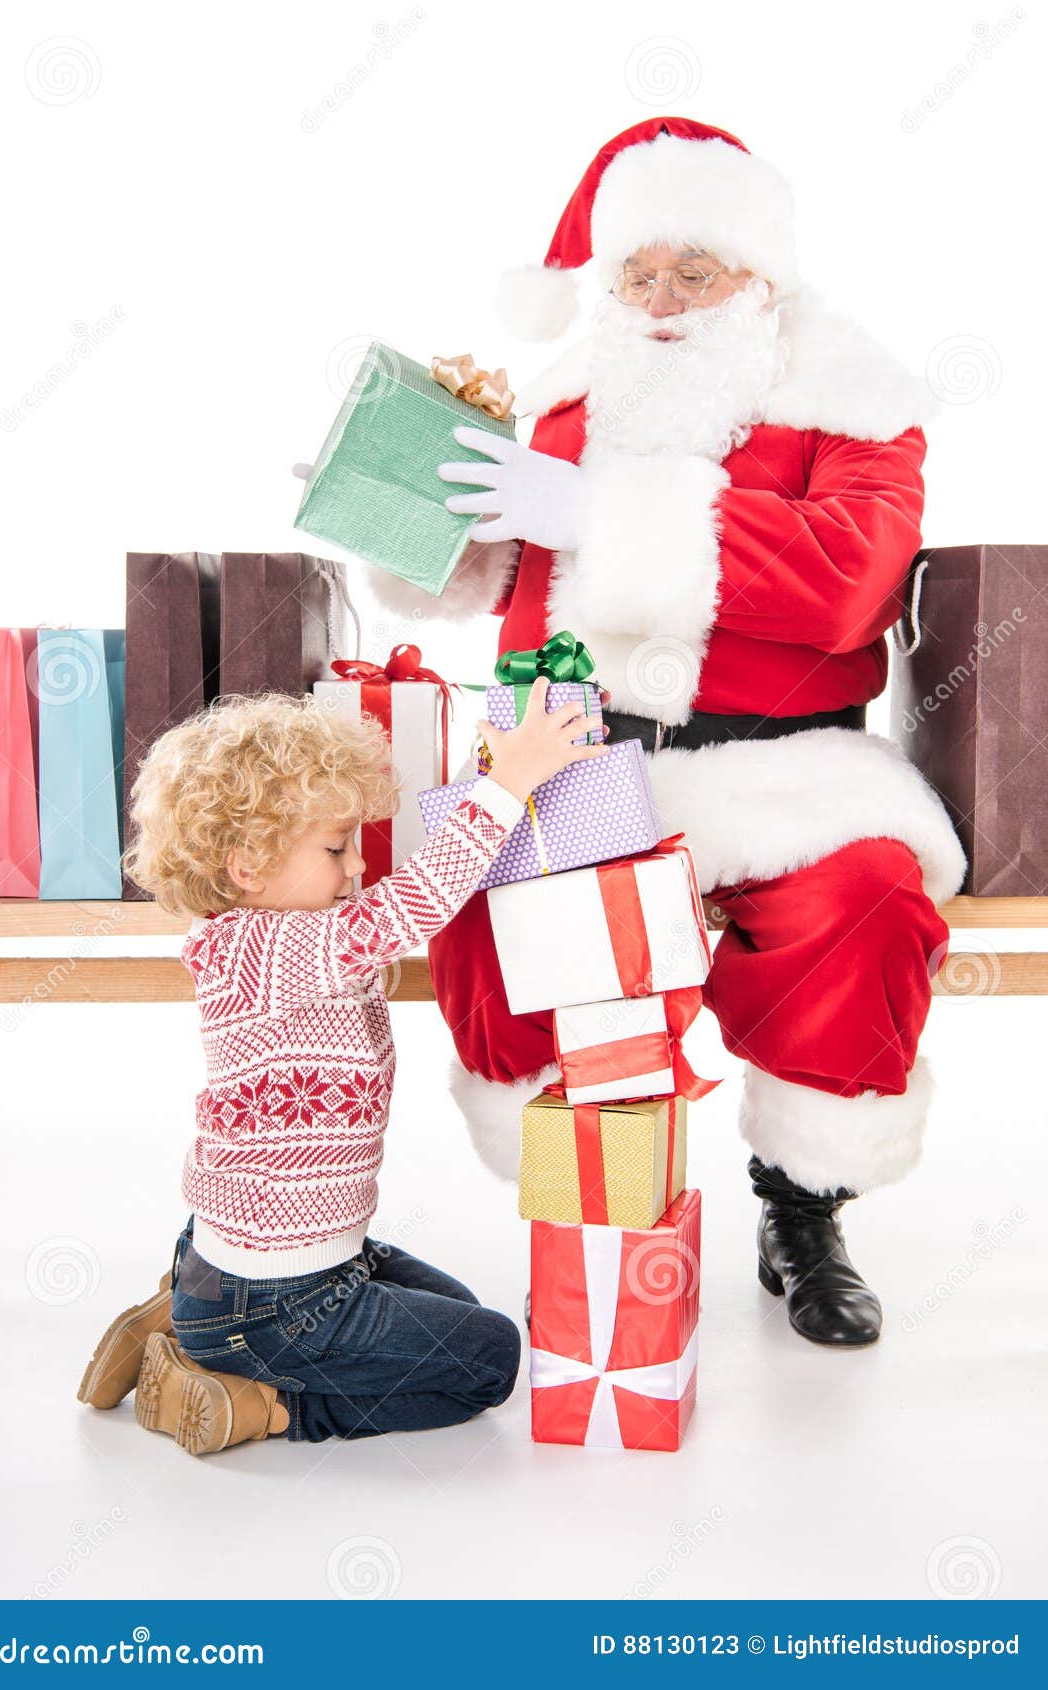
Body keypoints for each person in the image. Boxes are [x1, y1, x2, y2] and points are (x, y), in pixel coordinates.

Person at [365, 116, 967, 1349]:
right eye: (638, 274)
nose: (662, 299)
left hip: (785, 759)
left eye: (696, 270)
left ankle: (802, 1203)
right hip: (573, 751)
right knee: (499, 905)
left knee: (862, 897)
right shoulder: (563, 398)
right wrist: (397, 503)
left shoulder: (852, 392)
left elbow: (849, 577)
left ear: (762, 274)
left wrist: (602, 511)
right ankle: (590, 1219)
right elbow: (490, 575)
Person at [77, 681, 608, 1453]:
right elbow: (417, 905)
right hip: (278, 1297)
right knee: (487, 1361)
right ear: (247, 866)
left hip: (278, 1264)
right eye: (335, 847)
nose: (359, 866)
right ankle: (256, 1401)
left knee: (457, 1306)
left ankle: (185, 1314)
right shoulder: (265, 947)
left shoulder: (290, 935)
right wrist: (509, 782)